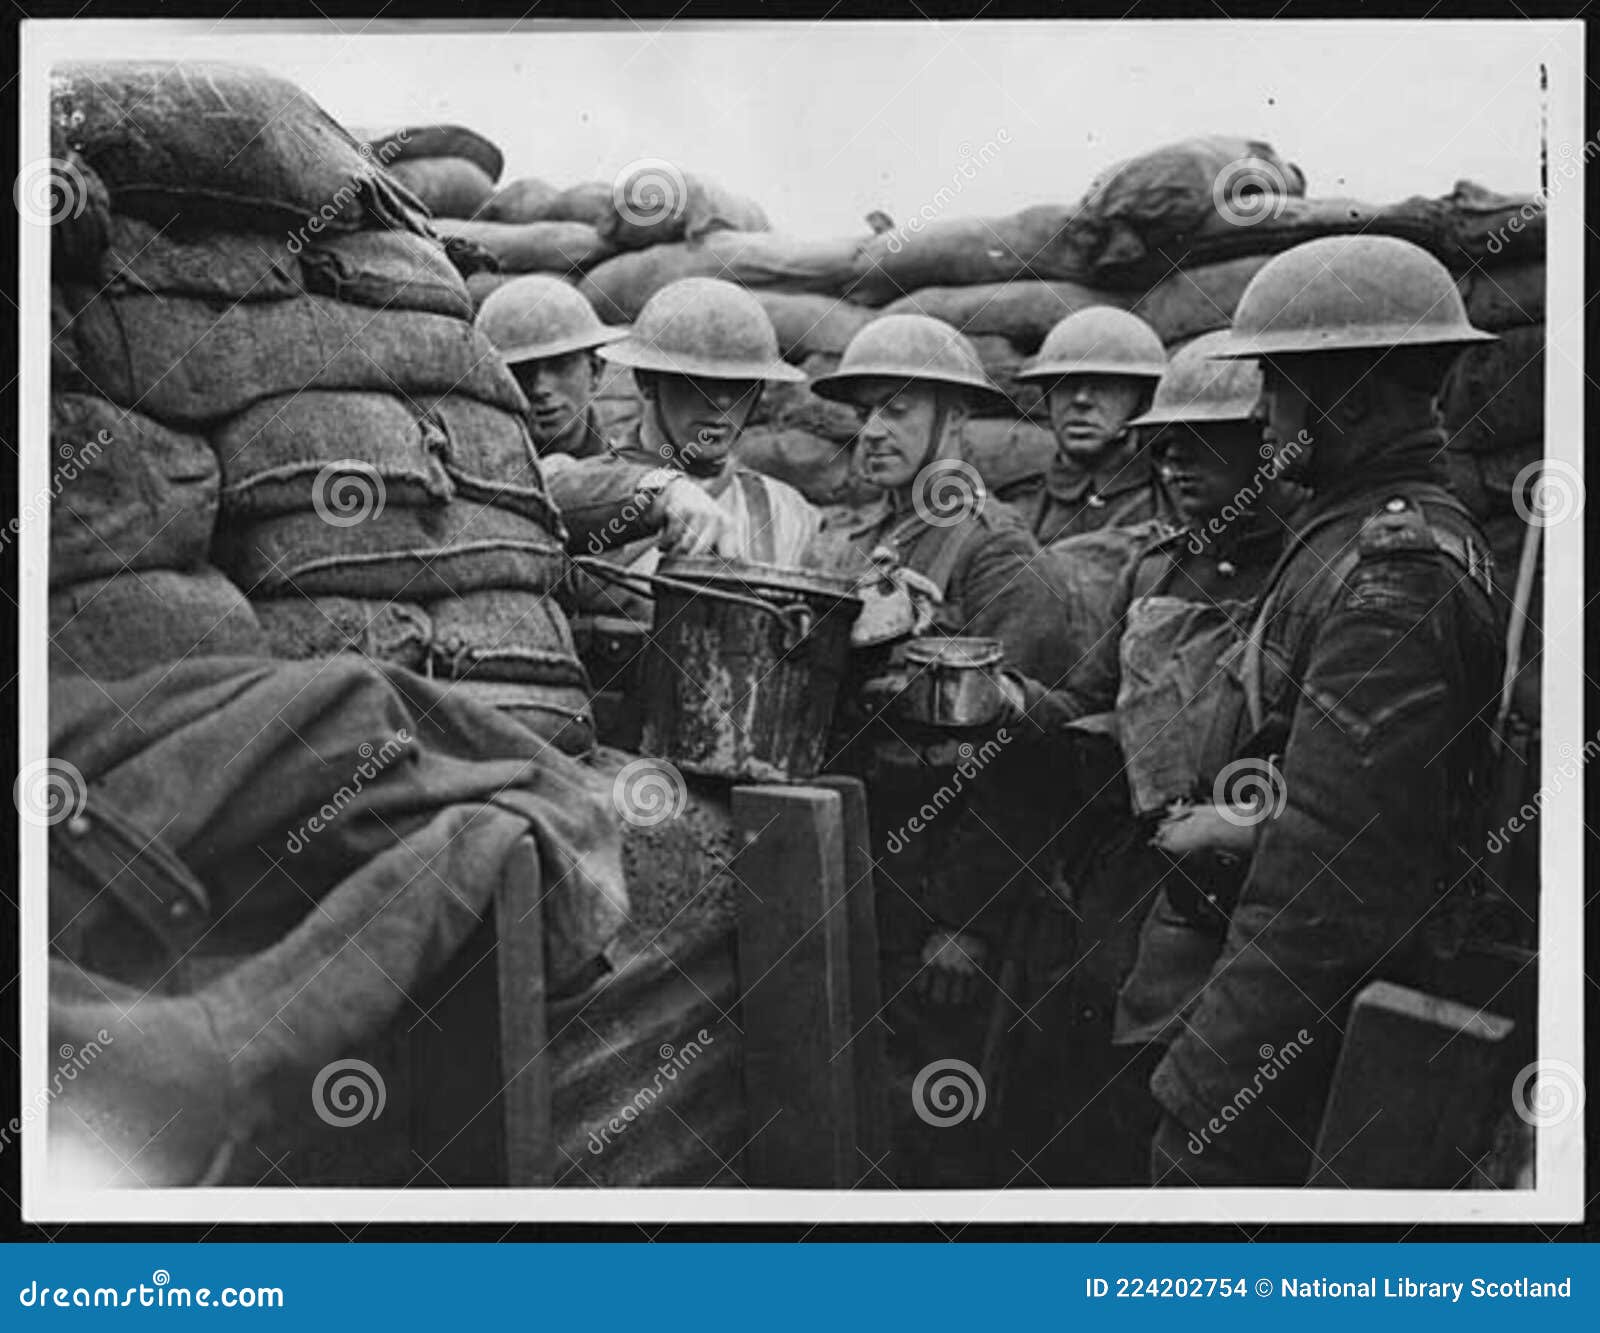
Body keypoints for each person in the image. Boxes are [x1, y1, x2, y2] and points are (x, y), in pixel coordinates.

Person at [1129, 235, 1505, 1186]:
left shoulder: (1393, 576)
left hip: (1303, 1054)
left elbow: (1326, 883)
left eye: (1279, 383)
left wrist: (1208, 1096)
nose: (1262, 410)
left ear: (1353, 397)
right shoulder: (1345, 533)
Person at [993, 331, 1303, 1184]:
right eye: (1166, 444)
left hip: (1239, 880)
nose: (1174, 462)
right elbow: (1089, 700)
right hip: (1129, 868)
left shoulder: (1305, 573)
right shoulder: (1156, 570)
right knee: (1086, 1070)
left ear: (1266, 446)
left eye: (1203, 444)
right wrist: (1007, 699)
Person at [807, 314, 1077, 1186]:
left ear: (954, 421)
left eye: (897, 411)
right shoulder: (869, 543)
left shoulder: (996, 551)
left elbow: (1029, 751)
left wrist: (970, 918)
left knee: (939, 1126)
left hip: (944, 900)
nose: (872, 431)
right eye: (865, 413)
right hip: (870, 876)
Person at [597, 276, 822, 569]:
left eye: (740, 385)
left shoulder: (787, 514)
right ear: (646, 381)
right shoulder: (587, 494)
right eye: (698, 382)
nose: (722, 403)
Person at [999, 306, 1177, 545]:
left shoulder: (1175, 505)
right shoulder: (1014, 510)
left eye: (1103, 385)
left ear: (1143, 402)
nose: (1081, 399)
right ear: (1048, 398)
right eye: (1066, 385)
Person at [476, 274, 627, 458]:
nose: (539, 389)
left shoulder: (631, 469)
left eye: (559, 366)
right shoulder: (473, 468)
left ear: (595, 370)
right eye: (521, 371)